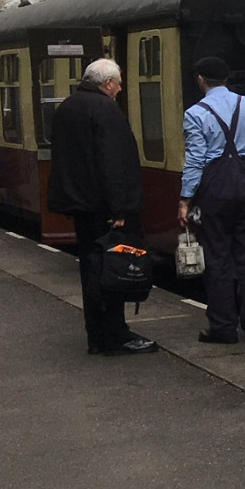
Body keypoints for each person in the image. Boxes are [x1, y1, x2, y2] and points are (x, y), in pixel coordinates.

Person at [47, 58, 157, 355]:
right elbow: (113, 164)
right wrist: (119, 210)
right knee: (113, 271)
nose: (120, 89)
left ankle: (97, 334)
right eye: (118, 83)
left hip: (82, 206)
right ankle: (114, 336)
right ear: (107, 83)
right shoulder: (105, 110)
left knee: (91, 270)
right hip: (105, 209)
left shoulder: (67, 107)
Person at [179, 56, 245, 344]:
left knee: (217, 258)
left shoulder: (195, 114)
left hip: (214, 193)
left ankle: (224, 328)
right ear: (227, 78)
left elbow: (195, 162)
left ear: (201, 79)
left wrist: (185, 199)